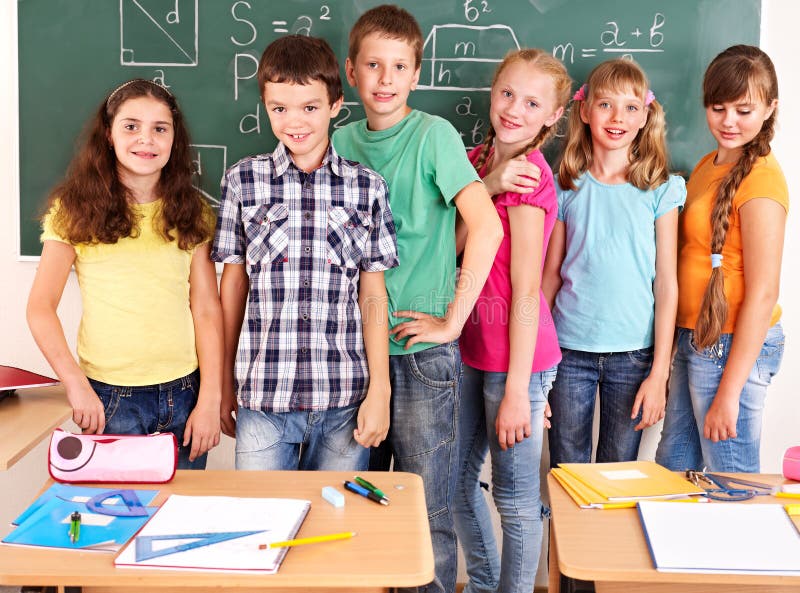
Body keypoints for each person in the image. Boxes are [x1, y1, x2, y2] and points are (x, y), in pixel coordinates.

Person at [332, 5, 503, 593]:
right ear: (350, 72)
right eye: (373, 65)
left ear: (415, 74)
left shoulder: (433, 137)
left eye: (399, 66)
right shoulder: (336, 142)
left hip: (418, 354)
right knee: (358, 506)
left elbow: (487, 226)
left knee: (426, 509)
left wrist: (453, 321)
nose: (385, 78)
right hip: (351, 355)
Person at [212, 35, 398, 472]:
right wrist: (223, 382)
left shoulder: (367, 187)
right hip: (263, 397)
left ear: (335, 104)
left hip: (343, 399)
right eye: (279, 108)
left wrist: (380, 392)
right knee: (263, 529)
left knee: (336, 532)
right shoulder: (244, 181)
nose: (294, 121)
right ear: (265, 105)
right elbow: (233, 287)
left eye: (309, 107)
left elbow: (372, 296)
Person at [27, 79, 223, 469]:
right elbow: (40, 308)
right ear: (109, 134)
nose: (145, 140)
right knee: (117, 517)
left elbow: (205, 309)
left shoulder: (193, 214)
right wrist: (76, 386)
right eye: (131, 126)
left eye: (159, 129)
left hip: (185, 393)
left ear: (173, 139)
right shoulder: (74, 211)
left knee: (176, 516)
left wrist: (210, 399)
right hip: (108, 398)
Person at [453, 49, 571, 593]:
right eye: (506, 93)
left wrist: (521, 392)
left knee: (516, 500)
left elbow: (527, 289)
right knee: (453, 484)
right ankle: (483, 585)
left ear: (553, 115)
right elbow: (451, 249)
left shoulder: (529, 177)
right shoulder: (476, 161)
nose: (513, 109)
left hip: (514, 358)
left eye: (531, 102)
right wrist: (489, 184)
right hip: (468, 347)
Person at [543, 59, 686, 466]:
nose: (617, 117)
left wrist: (660, 372)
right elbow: (550, 277)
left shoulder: (661, 189)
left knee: (618, 471)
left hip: (634, 355)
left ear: (645, 117)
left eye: (630, 107)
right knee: (566, 470)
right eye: (606, 105)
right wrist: (538, 364)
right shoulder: (566, 185)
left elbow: (666, 284)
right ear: (585, 111)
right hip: (569, 351)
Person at [656, 45, 787, 473]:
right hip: (694, 337)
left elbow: (764, 292)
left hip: (731, 345)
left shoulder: (763, 181)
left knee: (730, 483)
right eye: (718, 107)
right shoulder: (708, 164)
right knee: (673, 475)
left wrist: (730, 392)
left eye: (744, 110)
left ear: (770, 108)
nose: (729, 121)